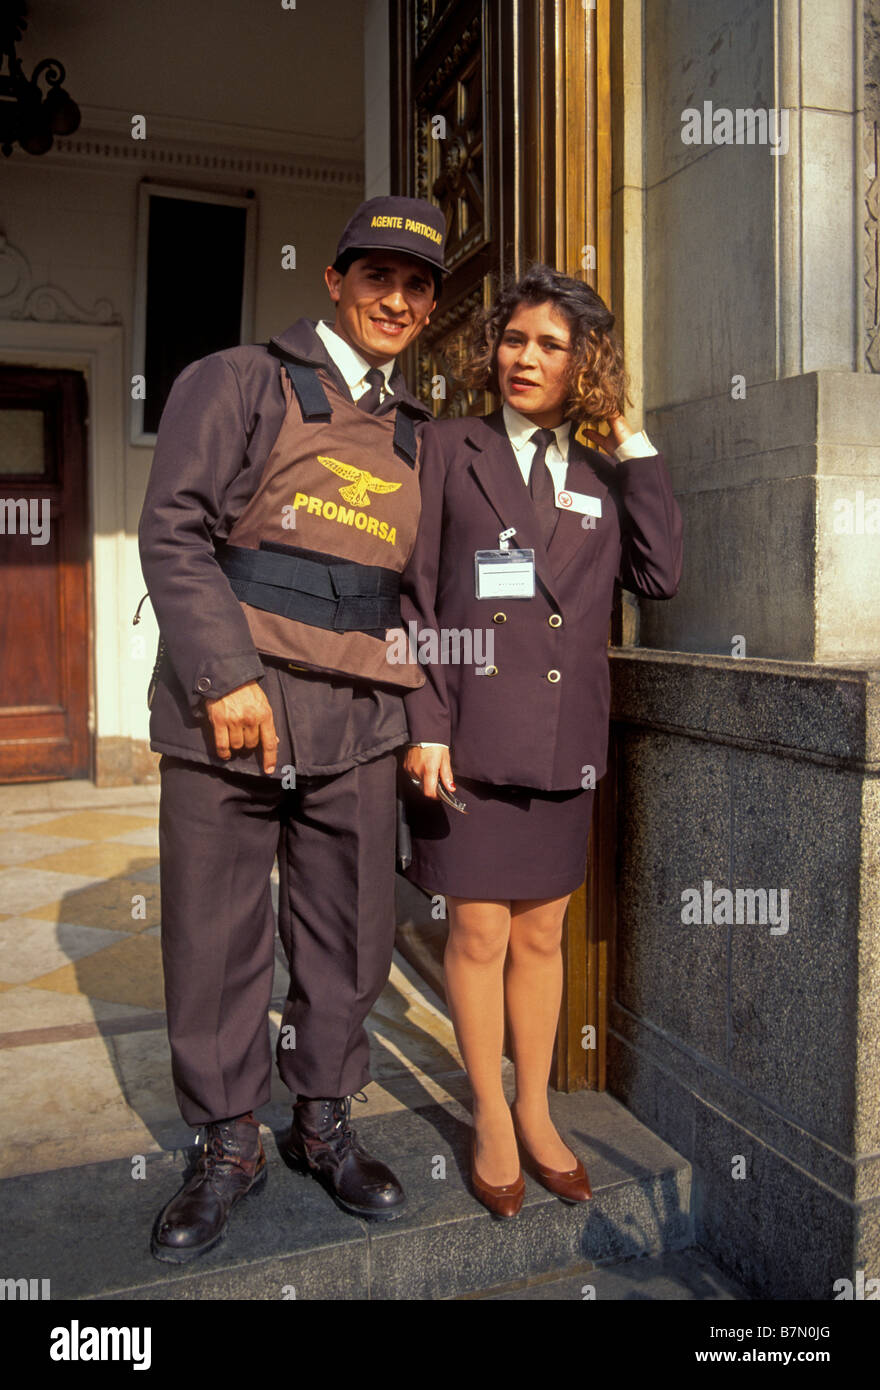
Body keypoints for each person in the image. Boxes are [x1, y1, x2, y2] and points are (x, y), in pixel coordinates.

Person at [138, 196, 448, 1262]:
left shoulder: (417, 432)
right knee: (216, 936)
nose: (394, 298)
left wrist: (422, 714)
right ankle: (227, 1141)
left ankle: (321, 1121)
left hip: (359, 717)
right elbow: (171, 528)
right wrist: (224, 674)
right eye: (375, 275)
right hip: (232, 707)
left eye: (416, 285)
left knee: (351, 936)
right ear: (334, 278)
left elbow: (421, 593)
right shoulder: (234, 379)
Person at [400, 264, 683, 1217]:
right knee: (478, 931)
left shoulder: (604, 473)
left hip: (564, 739)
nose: (525, 358)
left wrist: (633, 441)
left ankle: (536, 1105)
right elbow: (417, 592)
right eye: (514, 339)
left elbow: (662, 571)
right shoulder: (447, 446)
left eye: (551, 346)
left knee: (542, 932)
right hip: (468, 734)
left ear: (584, 364)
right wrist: (426, 724)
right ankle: (487, 1112)